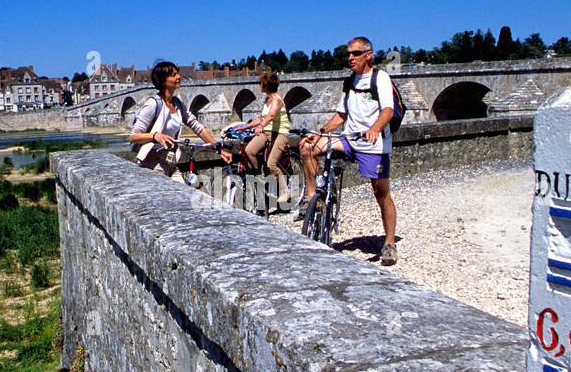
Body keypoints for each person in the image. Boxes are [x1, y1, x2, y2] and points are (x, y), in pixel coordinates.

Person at [297, 37, 398, 265]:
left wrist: (375, 128)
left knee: (381, 194)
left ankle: (389, 243)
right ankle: (312, 197)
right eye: (348, 53)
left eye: (355, 53)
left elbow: (388, 110)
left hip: (374, 145)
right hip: (348, 139)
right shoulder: (349, 81)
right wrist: (321, 132)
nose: (350, 57)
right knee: (307, 147)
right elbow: (341, 115)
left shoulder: (380, 78)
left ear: (368, 55)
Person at [129, 61, 231, 179]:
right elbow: (133, 136)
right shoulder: (153, 104)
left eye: (177, 73)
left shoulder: (177, 104)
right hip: (153, 163)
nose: (179, 77)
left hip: (171, 160)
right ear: (163, 81)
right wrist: (155, 136)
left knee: (184, 194)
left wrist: (218, 149)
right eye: (173, 75)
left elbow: (197, 127)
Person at [241, 68, 294, 206]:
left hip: (280, 133)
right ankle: (260, 177)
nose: (260, 86)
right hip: (267, 132)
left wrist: (260, 127)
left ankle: (285, 190)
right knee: (249, 151)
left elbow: (271, 116)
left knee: (271, 163)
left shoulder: (277, 100)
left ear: (266, 85)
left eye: (261, 84)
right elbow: (261, 117)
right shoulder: (267, 100)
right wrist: (244, 127)